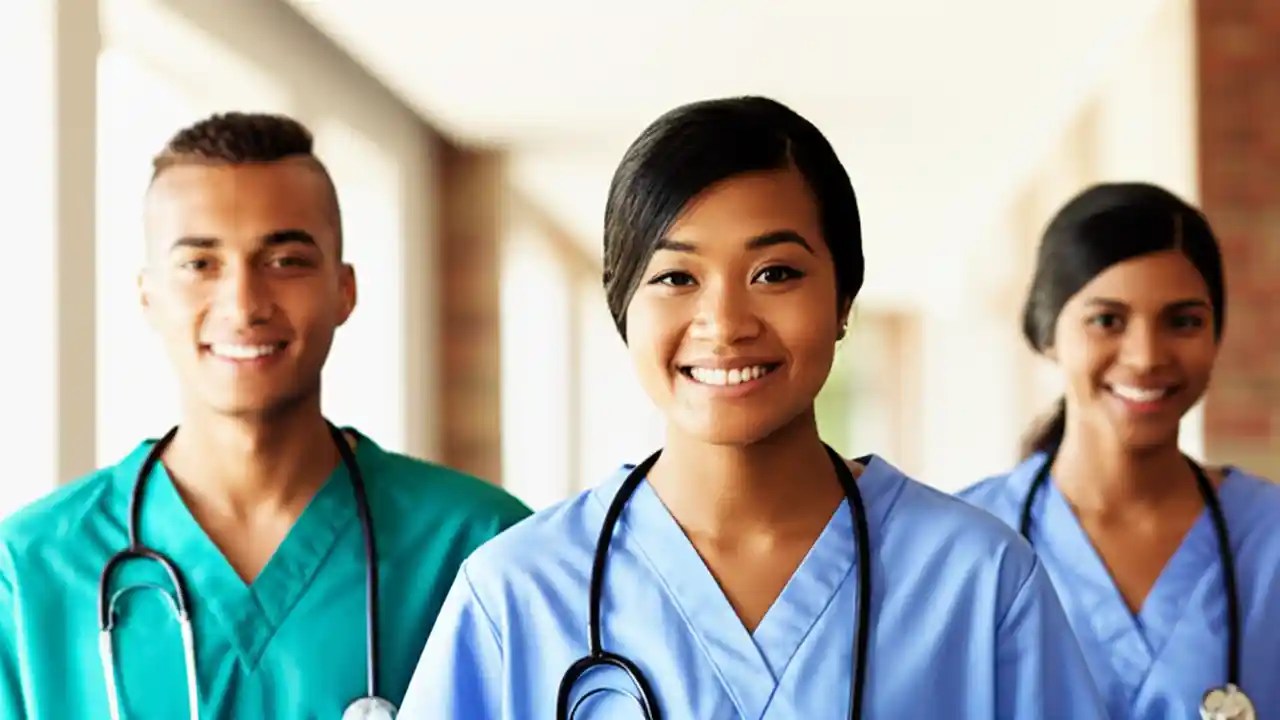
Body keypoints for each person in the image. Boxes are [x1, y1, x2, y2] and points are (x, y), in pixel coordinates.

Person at [397, 96, 1106, 719]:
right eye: (676, 276)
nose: (726, 321)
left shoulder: (978, 582)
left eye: (776, 273)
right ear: (624, 311)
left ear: (843, 299)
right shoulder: (518, 594)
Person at [0, 112, 531, 719]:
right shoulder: (28, 572)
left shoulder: (483, 547)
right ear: (148, 295)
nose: (245, 305)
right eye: (201, 264)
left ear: (344, 289)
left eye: (285, 261)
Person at [958, 182, 1280, 719]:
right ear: (1047, 332)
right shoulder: (962, 544)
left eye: (1184, 321)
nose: (1147, 356)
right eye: (1107, 320)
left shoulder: (1269, 540)